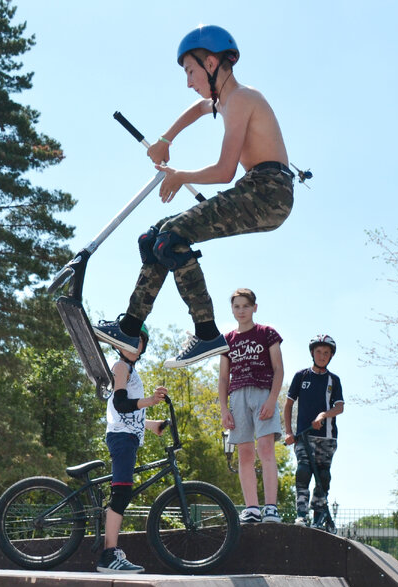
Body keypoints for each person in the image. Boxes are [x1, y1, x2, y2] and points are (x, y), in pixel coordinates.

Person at [94, 24, 294, 369]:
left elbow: (224, 170)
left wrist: (182, 175)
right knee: (154, 238)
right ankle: (128, 327)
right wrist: (165, 139)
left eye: (191, 71)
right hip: (255, 190)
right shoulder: (224, 101)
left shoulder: (244, 99)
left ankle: (206, 333)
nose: (189, 81)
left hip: (269, 193)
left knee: (172, 238)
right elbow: (197, 108)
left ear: (212, 63)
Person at [99, 323, 169, 573]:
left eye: (139, 341)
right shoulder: (120, 367)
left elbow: (128, 414)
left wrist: (152, 425)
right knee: (121, 494)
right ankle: (109, 555)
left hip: (127, 436)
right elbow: (119, 404)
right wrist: (149, 400)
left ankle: (110, 552)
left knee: (122, 492)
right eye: (130, 340)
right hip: (122, 439)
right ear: (119, 344)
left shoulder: (129, 369)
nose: (135, 345)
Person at [218, 288, 284, 524]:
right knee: (244, 454)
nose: (241, 310)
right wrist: (224, 409)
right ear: (232, 310)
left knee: (265, 449)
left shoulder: (267, 333)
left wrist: (271, 399)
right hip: (237, 396)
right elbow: (224, 378)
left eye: (246, 305)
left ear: (254, 307)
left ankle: (271, 508)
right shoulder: (227, 340)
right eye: (237, 306)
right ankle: (252, 508)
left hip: (263, 393)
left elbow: (278, 369)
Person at [282, 335, 344, 527]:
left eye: (326, 353)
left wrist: (323, 415)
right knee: (303, 471)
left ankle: (319, 516)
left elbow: (340, 407)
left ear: (331, 355)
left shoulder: (334, 380)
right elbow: (288, 405)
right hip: (304, 435)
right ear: (312, 353)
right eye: (318, 351)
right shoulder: (301, 376)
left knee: (323, 476)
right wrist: (289, 432)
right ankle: (301, 514)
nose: (322, 355)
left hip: (327, 436)